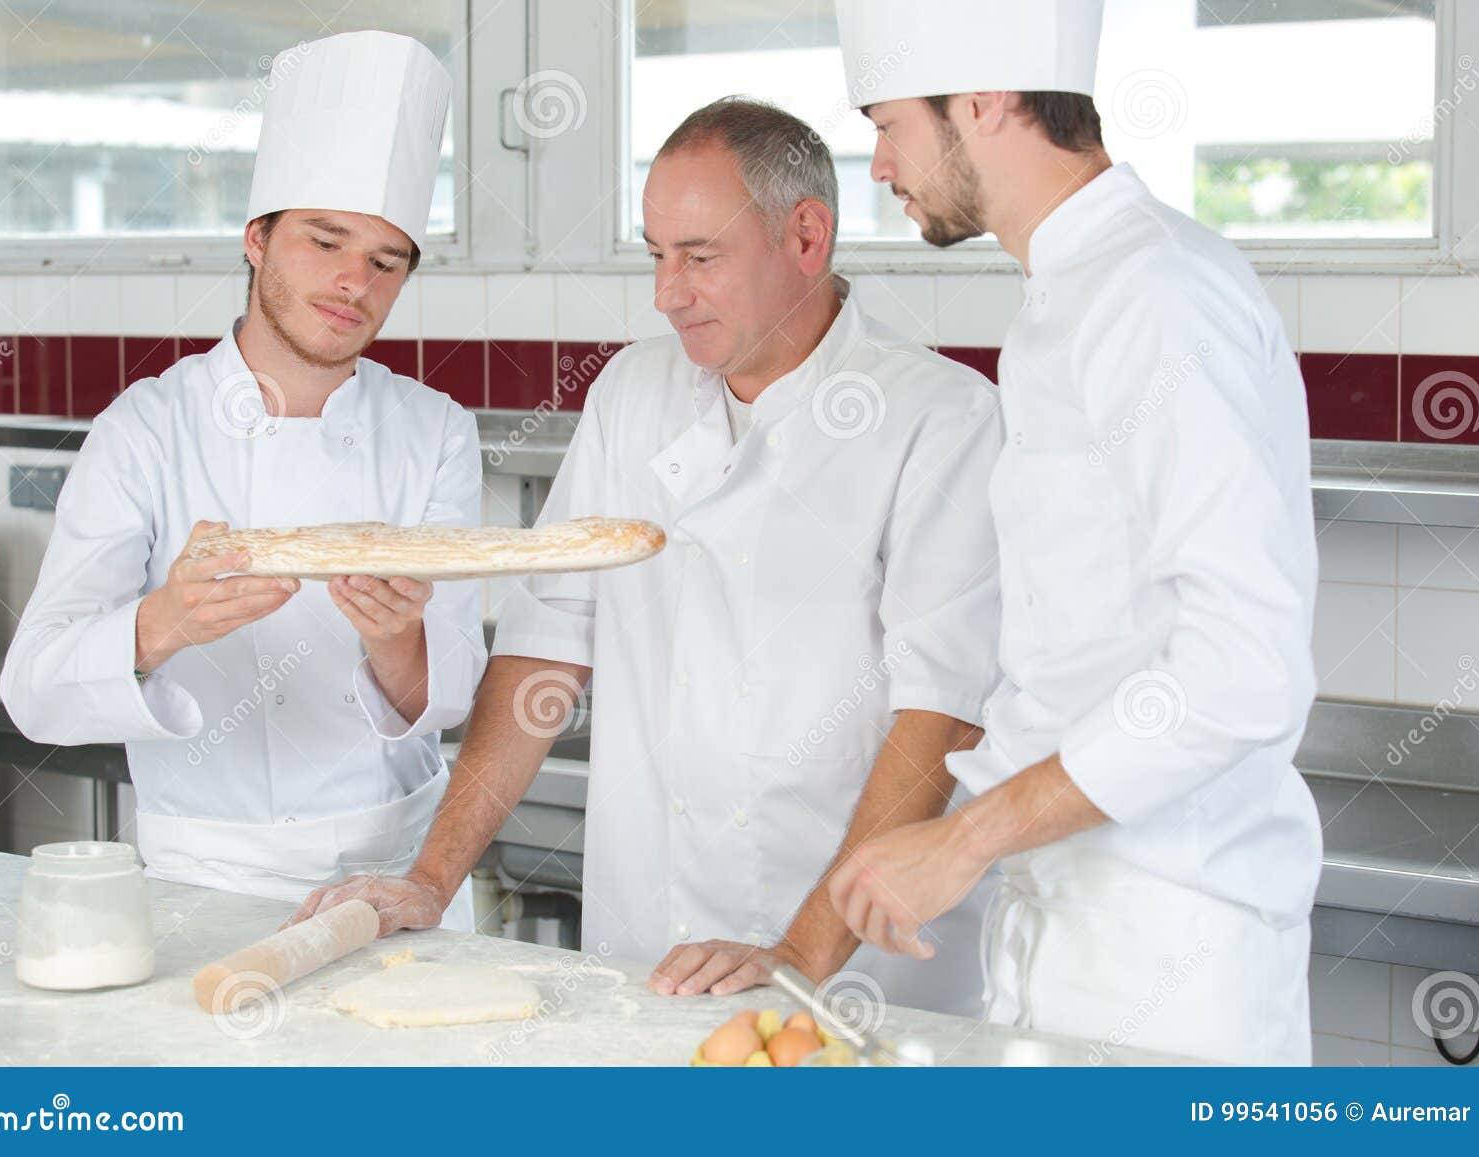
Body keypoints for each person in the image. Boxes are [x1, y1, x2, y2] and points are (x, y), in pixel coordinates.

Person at [292, 97, 1004, 1014]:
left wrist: (801, 949)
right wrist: (431, 878)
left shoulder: (940, 417)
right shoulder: (632, 390)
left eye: (700, 258)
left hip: (856, 968)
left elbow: (942, 717)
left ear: (807, 236)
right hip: (651, 947)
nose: (668, 293)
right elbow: (545, 644)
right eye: (657, 255)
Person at [827, 0, 1322, 1063]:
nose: (878, 164)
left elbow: (1242, 664)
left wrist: (966, 836)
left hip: (1171, 942)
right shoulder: (1068, 293)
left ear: (985, 100)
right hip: (1072, 915)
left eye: (887, 125)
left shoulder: (1156, 294)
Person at [1, 30, 485, 928]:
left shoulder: (435, 431)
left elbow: (447, 697)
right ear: (258, 239)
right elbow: (34, 693)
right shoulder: (145, 428)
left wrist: (397, 642)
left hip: (397, 879)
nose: (353, 282)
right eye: (325, 241)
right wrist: (164, 621)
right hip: (203, 881)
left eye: (387, 261)